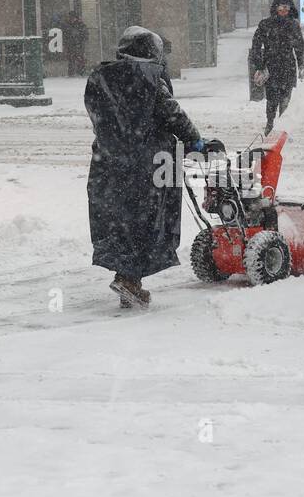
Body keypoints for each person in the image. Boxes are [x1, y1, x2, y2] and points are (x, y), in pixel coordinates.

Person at [85, 26, 223, 310]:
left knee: (120, 221)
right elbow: (172, 114)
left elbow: (103, 119)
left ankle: (127, 278)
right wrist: (195, 141)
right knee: (149, 221)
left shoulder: (100, 78)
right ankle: (129, 280)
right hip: (148, 165)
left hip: (109, 164)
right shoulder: (147, 79)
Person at [249, 0, 304, 134]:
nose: (283, 10)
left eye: (286, 7)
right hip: (271, 67)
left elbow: (300, 47)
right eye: (281, 7)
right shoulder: (265, 25)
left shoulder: (293, 25)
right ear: (275, 7)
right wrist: (259, 65)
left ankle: (282, 127)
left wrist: (302, 65)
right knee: (272, 99)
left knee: (286, 99)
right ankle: (270, 124)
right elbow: (256, 45)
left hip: (288, 66)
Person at [61, 11, 90, 77]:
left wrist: (79, 38)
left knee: (79, 59)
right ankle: (72, 73)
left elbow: (85, 35)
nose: (71, 19)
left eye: (72, 18)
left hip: (78, 45)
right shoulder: (67, 25)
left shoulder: (80, 25)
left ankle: (80, 72)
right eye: (70, 18)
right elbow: (65, 36)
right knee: (71, 59)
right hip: (71, 45)